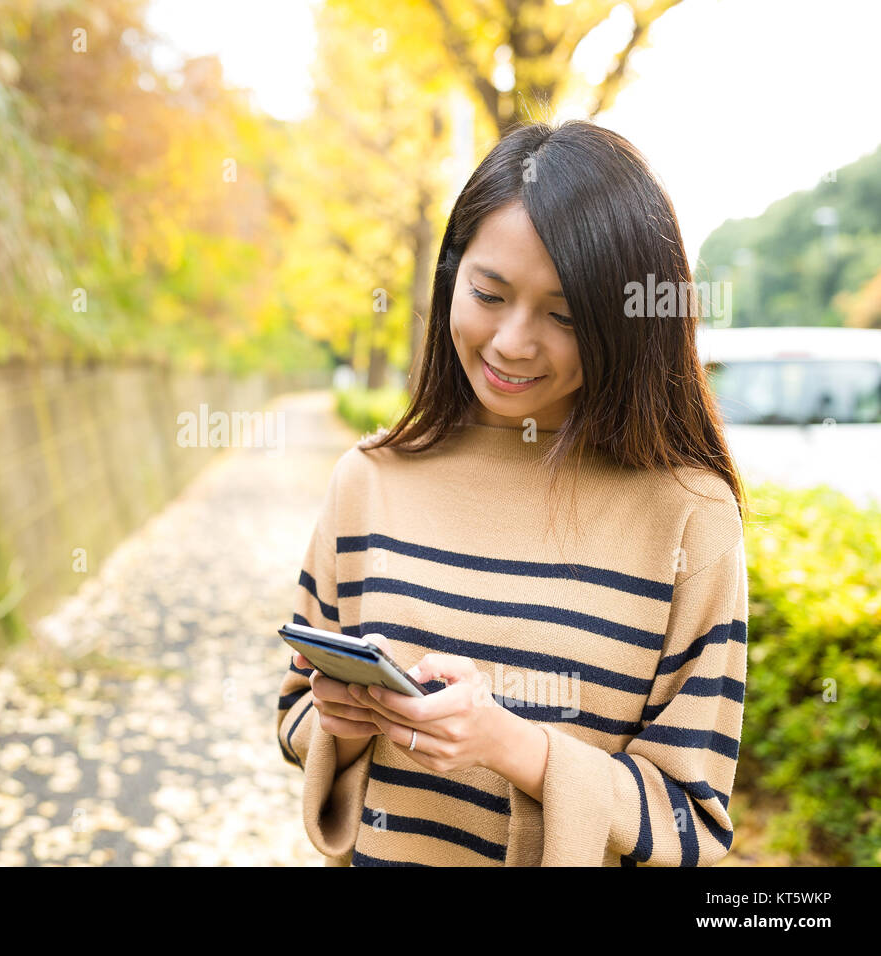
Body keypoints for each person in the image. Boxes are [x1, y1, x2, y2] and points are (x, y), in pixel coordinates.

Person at [275, 119, 750, 867]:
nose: (511, 342)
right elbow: (295, 711)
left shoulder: (691, 517)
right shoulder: (369, 480)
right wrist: (344, 714)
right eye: (489, 295)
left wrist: (512, 747)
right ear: (451, 278)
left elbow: (693, 823)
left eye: (563, 316)